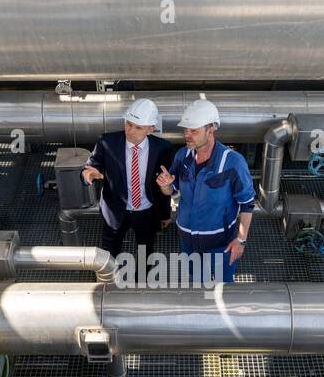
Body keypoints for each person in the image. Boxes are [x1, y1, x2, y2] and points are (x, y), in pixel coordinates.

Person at [156, 98, 255, 283]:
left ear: (211, 129)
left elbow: (247, 204)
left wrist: (241, 241)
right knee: (194, 284)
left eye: (194, 130)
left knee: (221, 287)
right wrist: (165, 185)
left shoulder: (233, 162)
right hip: (187, 243)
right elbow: (171, 191)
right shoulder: (182, 156)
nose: (187, 135)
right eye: (186, 129)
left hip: (221, 246)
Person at [81, 99, 174, 270]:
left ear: (151, 128)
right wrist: (89, 173)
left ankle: (142, 284)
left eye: (138, 127)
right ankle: (109, 283)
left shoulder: (163, 148)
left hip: (147, 212)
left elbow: (163, 184)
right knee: (109, 253)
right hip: (115, 211)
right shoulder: (107, 142)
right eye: (128, 124)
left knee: (146, 252)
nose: (130, 131)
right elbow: (91, 166)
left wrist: (165, 214)